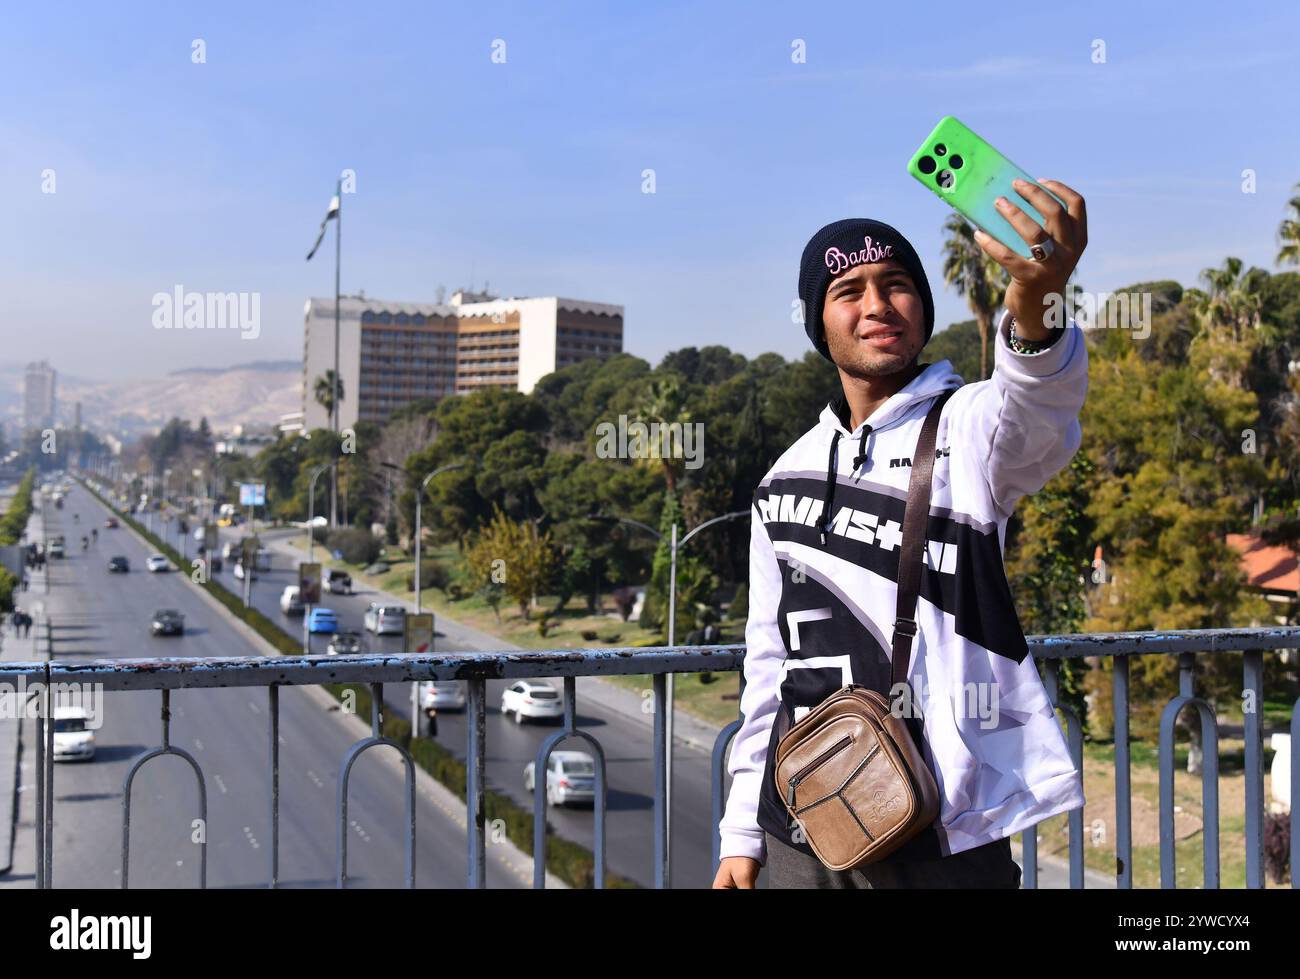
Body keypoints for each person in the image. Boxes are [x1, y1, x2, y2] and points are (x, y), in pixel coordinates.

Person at [715, 183, 1090, 889]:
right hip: (801, 827)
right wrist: (741, 833)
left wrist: (1037, 302)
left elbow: (1042, 400)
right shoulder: (782, 478)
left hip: (944, 828)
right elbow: (767, 670)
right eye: (848, 290)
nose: (878, 304)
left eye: (896, 285)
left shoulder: (970, 428)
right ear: (818, 323)